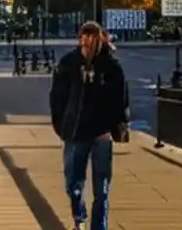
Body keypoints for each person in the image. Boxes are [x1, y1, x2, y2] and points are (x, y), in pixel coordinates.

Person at [49, 21, 129, 230]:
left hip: (101, 133)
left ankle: (98, 226)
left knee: (101, 188)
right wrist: (60, 124)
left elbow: (120, 100)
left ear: (100, 39)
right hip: (75, 132)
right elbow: (57, 97)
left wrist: (118, 125)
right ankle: (79, 217)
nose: (88, 44)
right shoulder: (69, 63)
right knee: (73, 184)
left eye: (93, 38)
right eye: (84, 38)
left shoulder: (111, 66)